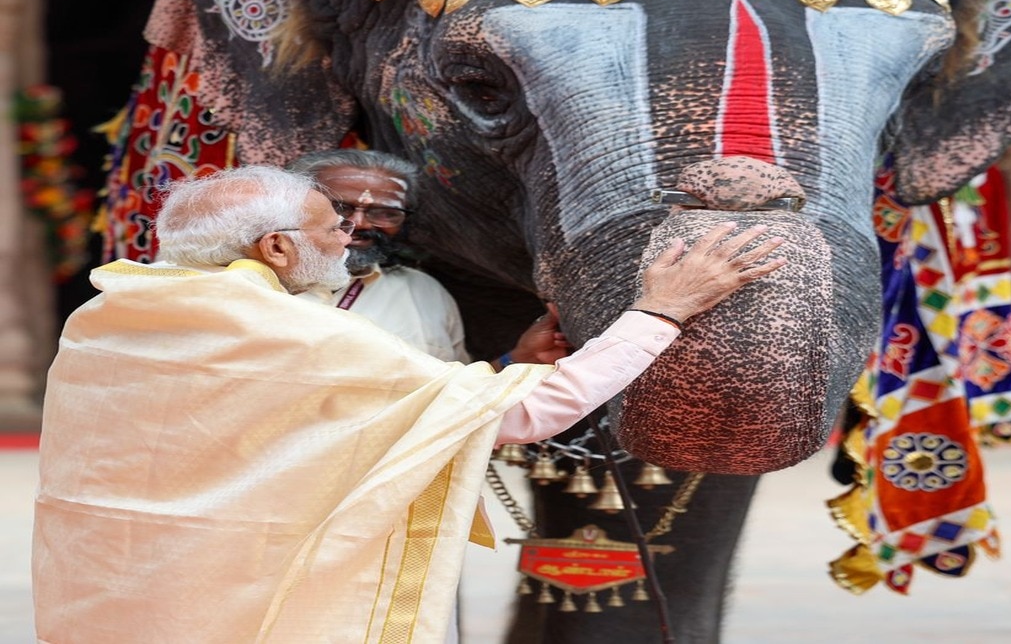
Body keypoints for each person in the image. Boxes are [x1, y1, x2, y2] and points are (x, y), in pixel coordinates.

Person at [32, 165, 785, 643]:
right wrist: (662, 309)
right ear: (276, 249)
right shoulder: (285, 330)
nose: (348, 238)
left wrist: (498, 367)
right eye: (331, 226)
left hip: (123, 596)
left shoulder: (110, 312)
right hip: (253, 599)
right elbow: (528, 413)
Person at [286, 148, 561, 369]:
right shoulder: (251, 282)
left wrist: (519, 358)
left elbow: (452, 400)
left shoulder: (425, 292)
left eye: (384, 213)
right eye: (339, 206)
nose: (359, 223)